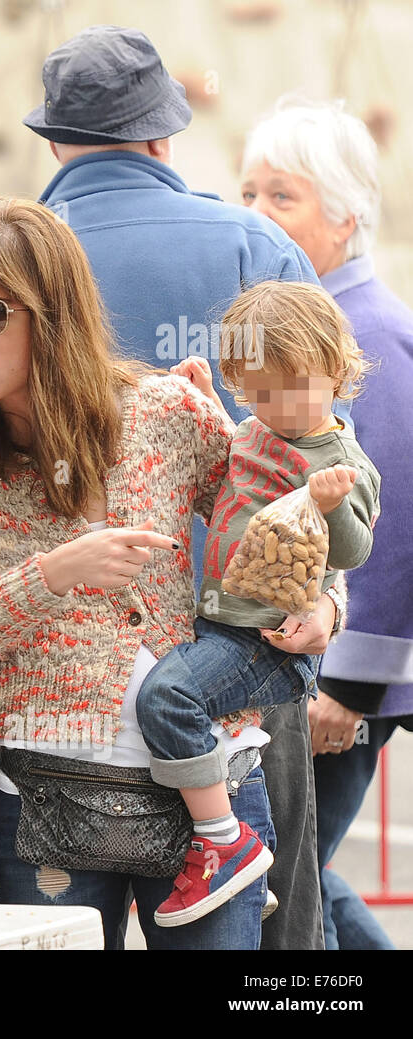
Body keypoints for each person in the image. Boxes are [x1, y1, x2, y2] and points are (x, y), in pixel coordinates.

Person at [0, 25, 336, 949]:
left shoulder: (171, 411)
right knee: (303, 920)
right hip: (46, 790)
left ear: (55, 141)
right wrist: (56, 570)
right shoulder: (255, 245)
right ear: (164, 136)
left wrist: (319, 604)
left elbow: (295, 495)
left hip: (213, 746)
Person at [134, 281, 378, 927]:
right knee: (219, 746)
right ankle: (246, 856)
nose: (279, 407)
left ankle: (224, 841)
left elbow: (352, 551)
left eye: (293, 386)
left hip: (264, 644)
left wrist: (328, 504)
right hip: (222, 626)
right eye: (258, 391)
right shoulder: (256, 429)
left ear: (336, 366)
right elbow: (236, 467)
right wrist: (209, 403)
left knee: (166, 698)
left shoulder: (337, 458)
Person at [241, 99, 413, 948]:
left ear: (347, 217)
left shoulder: (368, 335)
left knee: (288, 878)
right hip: (298, 666)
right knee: (295, 872)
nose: (256, 215)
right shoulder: (306, 332)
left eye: (283, 196)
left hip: (337, 680)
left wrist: (349, 685)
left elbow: (396, 521)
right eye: (248, 193)